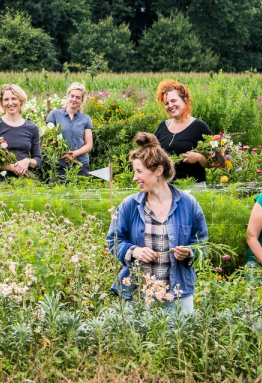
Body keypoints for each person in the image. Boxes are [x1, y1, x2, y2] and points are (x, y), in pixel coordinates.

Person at [107, 132, 208, 313]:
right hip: (138, 296)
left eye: (139, 171)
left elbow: (203, 244)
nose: (134, 177)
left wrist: (190, 252)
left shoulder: (188, 204)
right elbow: (114, 241)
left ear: (158, 171)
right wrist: (134, 251)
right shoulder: (130, 205)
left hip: (178, 295)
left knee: (178, 340)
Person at [153, 79, 213, 185]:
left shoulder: (199, 127)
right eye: (166, 103)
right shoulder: (162, 127)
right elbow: (153, 154)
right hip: (167, 187)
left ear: (184, 99)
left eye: (173, 101)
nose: (170, 106)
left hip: (193, 187)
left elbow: (213, 161)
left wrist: (199, 157)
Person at [0, 84, 42, 180]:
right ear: (2, 102)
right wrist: (12, 167)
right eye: (6, 99)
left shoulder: (32, 128)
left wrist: (27, 161)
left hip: (25, 182)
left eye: (14, 99)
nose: (10, 103)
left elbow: (38, 160)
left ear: (21, 101)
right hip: (0, 183)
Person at [46, 82, 94, 178]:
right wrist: (62, 153)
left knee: (81, 192)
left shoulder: (85, 119)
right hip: (59, 165)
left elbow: (89, 145)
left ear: (82, 100)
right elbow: (48, 138)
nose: (74, 99)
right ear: (67, 96)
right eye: (72, 96)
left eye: (78, 97)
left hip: (80, 165)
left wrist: (74, 154)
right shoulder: (55, 114)